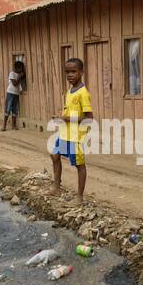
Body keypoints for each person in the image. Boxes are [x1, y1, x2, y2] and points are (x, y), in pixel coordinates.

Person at [51, 57, 92, 201]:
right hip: (65, 133)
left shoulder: (83, 93)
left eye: (73, 71)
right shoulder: (70, 92)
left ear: (81, 72)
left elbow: (88, 118)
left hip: (76, 136)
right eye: (67, 72)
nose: (70, 75)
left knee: (79, 165)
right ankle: (57, 187)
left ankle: (80, 196)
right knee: (55, 155)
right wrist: (60, 118)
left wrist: (67, 119)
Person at [2, 60, 25, 131]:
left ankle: (13, 126)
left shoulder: (18, 75)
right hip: (10, 93)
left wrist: (20, 89)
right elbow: (14, 84)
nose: (22, 70)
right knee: (8, 109)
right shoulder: (12, 74)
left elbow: (18, 84)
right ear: (17, 68)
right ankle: (4, 126)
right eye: (21, 68)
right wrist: (19, 77)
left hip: (16, 94)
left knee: (15, 110)